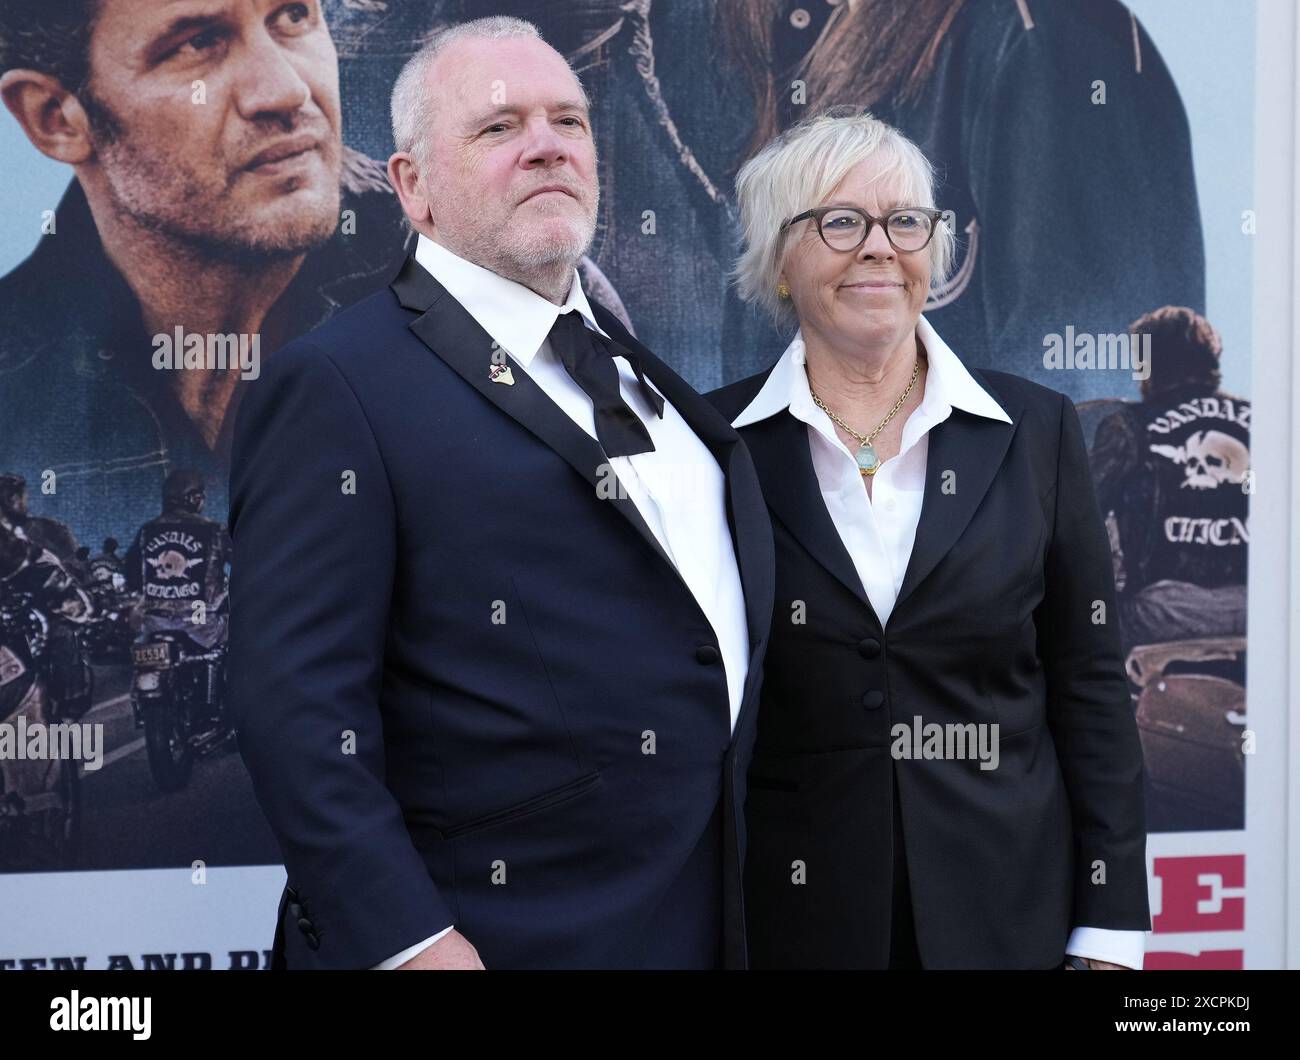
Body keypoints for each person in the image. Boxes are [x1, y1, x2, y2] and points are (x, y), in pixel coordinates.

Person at [226, 16, 773, 970]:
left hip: (693, 929)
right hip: (495, 942)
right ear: (413, 187)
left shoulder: (654, 382)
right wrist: (410, 944)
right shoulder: (336, 384)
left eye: (570, 119)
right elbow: (296, 709)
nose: (548, 144)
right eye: (497, 126)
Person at [709, 111, 1149, 969]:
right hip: (791, 923)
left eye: (905, 221)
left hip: (1009, 915)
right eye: (840, 221)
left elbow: (1090, 684)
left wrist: (1111, 927)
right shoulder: (715, 445)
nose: (879, 247)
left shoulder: (1035, 429)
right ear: (779, 260)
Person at [0, 0, 413, 547]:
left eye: (293, 16)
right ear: (56, 118)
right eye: (196, 44)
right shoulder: (17, 385)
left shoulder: (462, 295)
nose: (285, 90)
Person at [1091, 306, 1249, 653]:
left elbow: (1078, 517)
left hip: (1159, 614)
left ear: (1150, 364)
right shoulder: (1259, 419)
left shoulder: (1129, 425)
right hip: (1258, 607)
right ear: (1211, 360)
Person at [123, 470, 232, 653]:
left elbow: (131, 573)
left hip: (155, 622)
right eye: (200, 496)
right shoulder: (214, 530)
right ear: (192, 499)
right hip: (199, 620)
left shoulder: (147, 531)